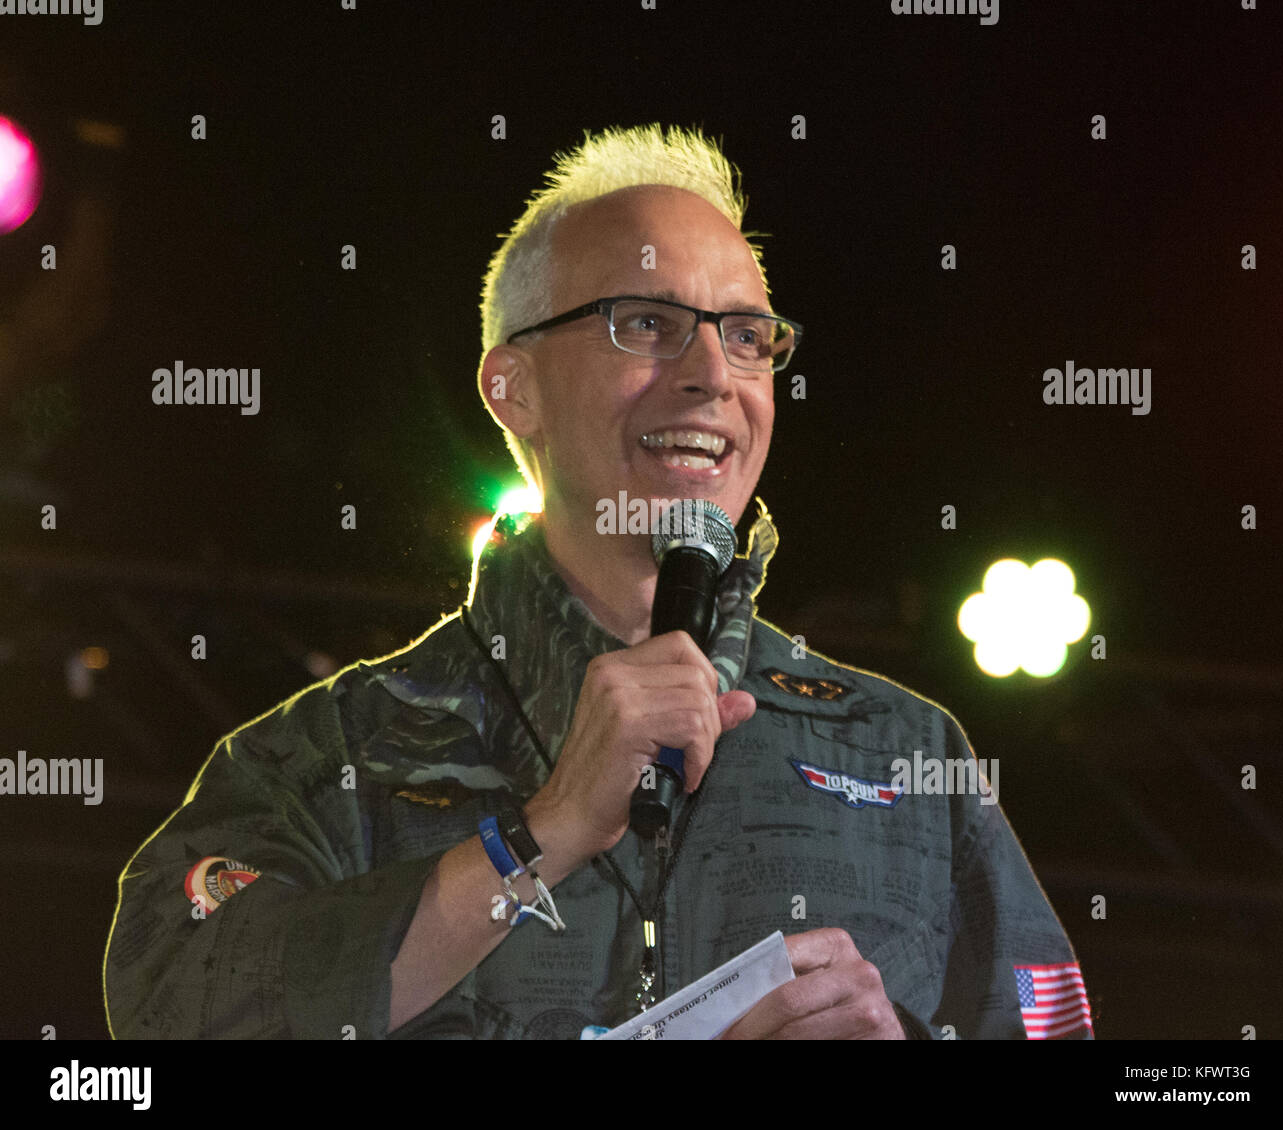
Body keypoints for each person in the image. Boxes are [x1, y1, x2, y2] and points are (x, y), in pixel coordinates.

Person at [103, 123, 1090, 1040]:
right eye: (646, 323)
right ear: (512, 387)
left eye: (747, 333)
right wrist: (538, 836)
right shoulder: (328, 753)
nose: (712, 372)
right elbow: (169, 1015)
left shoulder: (904, 754)